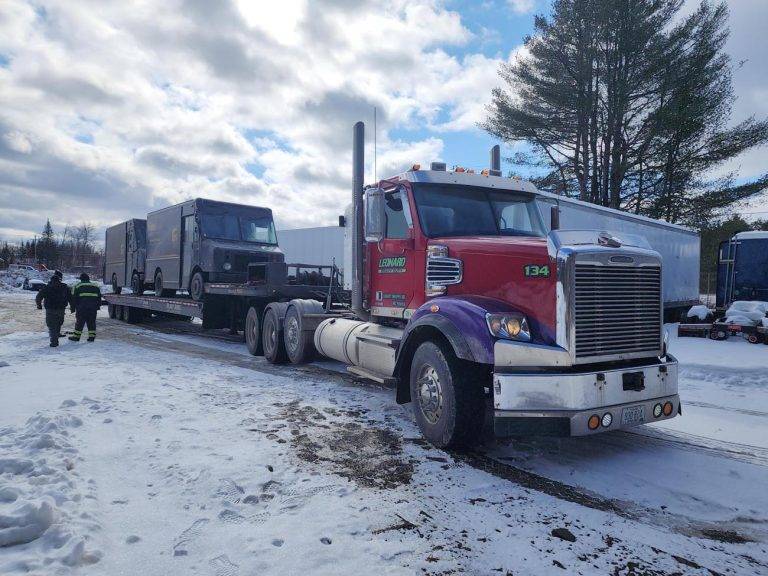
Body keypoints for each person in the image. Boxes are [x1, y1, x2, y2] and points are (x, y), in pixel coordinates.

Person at [35, 270, 71, 347]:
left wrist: (39, 305)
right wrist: (73, 307)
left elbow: (38, 297)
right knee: (58, 323)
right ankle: (56, 336)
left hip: (50, 309)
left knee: (51, 325)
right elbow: (71, 298)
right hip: (61, 309)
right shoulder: (65, 287)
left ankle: (54, 341)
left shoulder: (47, 287)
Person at [69, 273, 102, 342]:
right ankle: (91, 337)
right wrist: (97, 306)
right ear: (88, 278)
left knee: (80, 322)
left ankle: (76, 337)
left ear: (81, 279)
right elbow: (99, 298)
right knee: (92, 322)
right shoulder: (95, 286)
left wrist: (73, 308)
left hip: (81, 308)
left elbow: (73, 298)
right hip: (92, 308)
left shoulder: (77, 286)